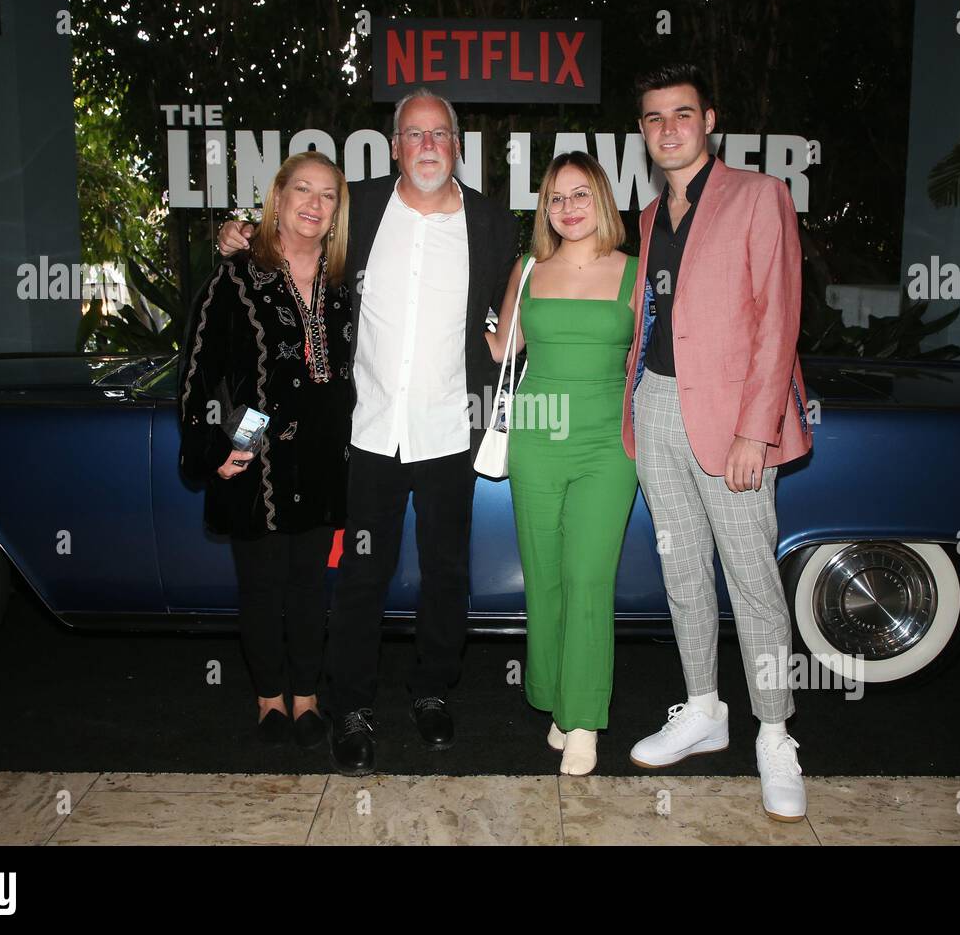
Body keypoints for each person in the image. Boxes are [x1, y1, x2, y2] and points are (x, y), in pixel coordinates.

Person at [218, 89, 518, 775]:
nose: (428, 146)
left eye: (439, 134)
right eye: (414, 135)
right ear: (394, 148)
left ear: (458, 146)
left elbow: (510, 311)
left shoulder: (493, 223)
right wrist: (237, 239)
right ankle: (349, 703)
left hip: (449, 431)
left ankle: (433, 690)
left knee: (447, 573)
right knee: (361, 574)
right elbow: (286, 253)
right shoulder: (363, 209)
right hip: (368, 430)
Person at [620, 64, 815, 821]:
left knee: (754, 584)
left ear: (710, 121)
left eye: (681, 114)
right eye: (652, 118)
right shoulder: (646, 217)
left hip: (734, 422)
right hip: (656, 410)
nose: (667, 128)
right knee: (681, 574)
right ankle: (704, 707)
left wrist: (753, 431)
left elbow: (779, 320)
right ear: (642, 132)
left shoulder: (759, 197)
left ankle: (774, 734)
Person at [179, 151, 353, 749]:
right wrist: (217, 448)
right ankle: (269, 700)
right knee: (261, 587)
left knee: (310, 586)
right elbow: (202, 375)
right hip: (257, 458)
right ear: (277, 199)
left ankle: (307, 698)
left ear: (337, 211)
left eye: (327, 194)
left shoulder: (342, 286)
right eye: (301, 189)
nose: (313, 202)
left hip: (325, 460)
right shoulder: (233, 279)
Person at [487, 152, 638, 777]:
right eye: (555, 197)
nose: (568, 207)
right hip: (536, 435)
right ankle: (554, 699)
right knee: (543, 579)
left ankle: (583, 721)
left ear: (601, 200)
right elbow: (503, 347)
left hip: (608, 444)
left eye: (580, 195)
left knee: (588, 579)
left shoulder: (637, 270)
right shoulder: (528, 269)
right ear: (544, 208)